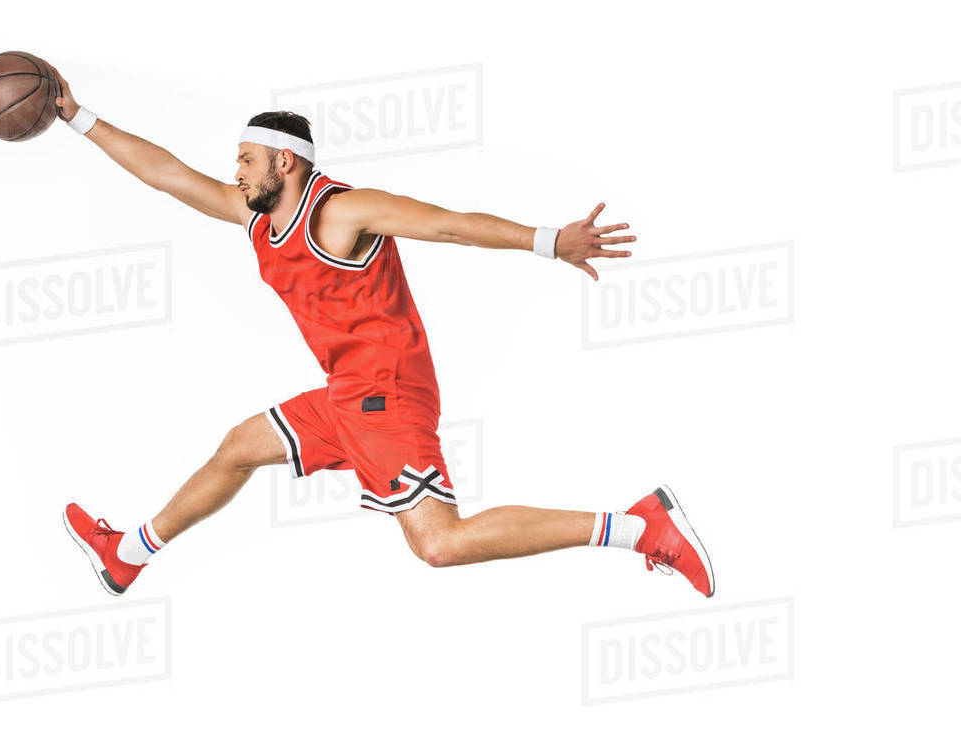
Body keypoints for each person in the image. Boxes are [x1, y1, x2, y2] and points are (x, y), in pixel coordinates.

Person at [46, 66, 714, 599]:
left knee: (439, 543)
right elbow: (165, 174)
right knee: (238, 449)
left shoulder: (341, 212)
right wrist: (76, 117)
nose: (237, 172)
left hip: (387, 392)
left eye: (247, 159)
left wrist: (548, 241)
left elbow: (447, 223)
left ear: (287, 162)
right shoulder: (253, 216)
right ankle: (126, 554)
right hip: (350, 391)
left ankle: (638, 528)